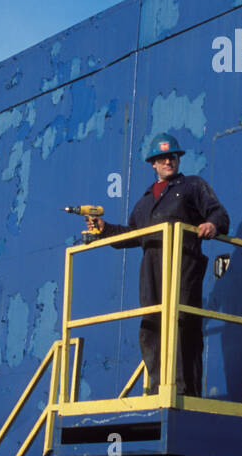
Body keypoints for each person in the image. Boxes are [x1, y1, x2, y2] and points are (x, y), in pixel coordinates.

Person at [89, 134, 229, 398]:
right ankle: (158, 389)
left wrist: (212, 224)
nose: (168, 161)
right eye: (163, 158)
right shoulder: (144, 202)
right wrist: (104, 229)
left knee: (181, 322)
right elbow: (130, 234)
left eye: (172, 156)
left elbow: (218, 212)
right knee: (152, 324)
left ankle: (183, 392)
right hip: (151, 269)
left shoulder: (192, 186)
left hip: (183, 264)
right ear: (152, 163)